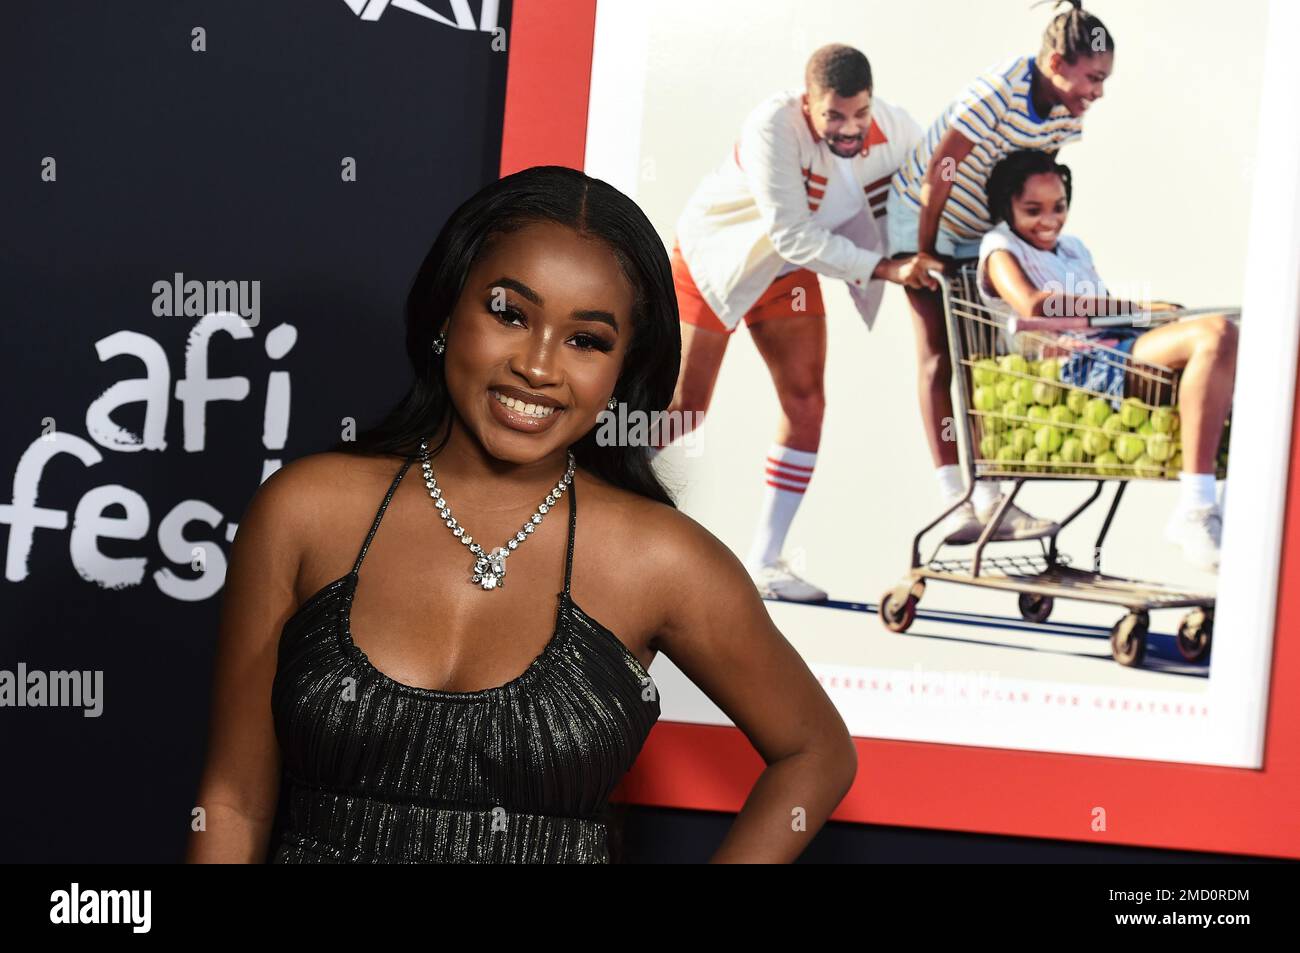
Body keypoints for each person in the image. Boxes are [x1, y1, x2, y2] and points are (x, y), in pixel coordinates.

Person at [185, 166, 857, 864]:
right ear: (447, 314)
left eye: (586, 339)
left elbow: (816, 751)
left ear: (623, 369)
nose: (538, 367)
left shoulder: (661, 561)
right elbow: (233, 799)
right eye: (509, 313)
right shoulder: (304, 511)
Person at [660, 43, 941, 602]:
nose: (849, 127)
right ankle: (581, 490)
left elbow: (932, 180)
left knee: (806, 402)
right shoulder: (773, 124)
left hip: (787, 273)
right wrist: (888, 268)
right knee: (683, 413)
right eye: (834, 115)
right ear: (808, 102)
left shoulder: (896, 127)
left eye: (860, 113)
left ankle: (765, 563)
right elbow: (790, 233)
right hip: (716, 261)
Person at [886, 0, 1115, 544]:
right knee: (941, 353)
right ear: (1056, 63)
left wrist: (1022, 251)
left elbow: (1038, 174)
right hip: (927, 219)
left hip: (984, 231)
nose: (1099, 92)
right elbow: (939, 173)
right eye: (1093, 78)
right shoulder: (996, 93)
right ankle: (955, 498)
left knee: (989, 361)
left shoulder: (1069, 109)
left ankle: (990, 495)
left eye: (1105, 80)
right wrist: (924, 253)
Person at [977, 150, 1237, 571]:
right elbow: (1034, 306)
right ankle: (1195, 509)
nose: (1049, 220)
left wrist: (1139, 317)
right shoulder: (999, 246)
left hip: (1115, 345)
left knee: (1234, 341)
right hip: (1075, 369)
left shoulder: (1073, 248)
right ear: (1007, 206)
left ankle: (1227, 507)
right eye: (1033, 210)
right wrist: (1137, 310)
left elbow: (1096, 312)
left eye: (1059, 207)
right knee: (1217, 334)